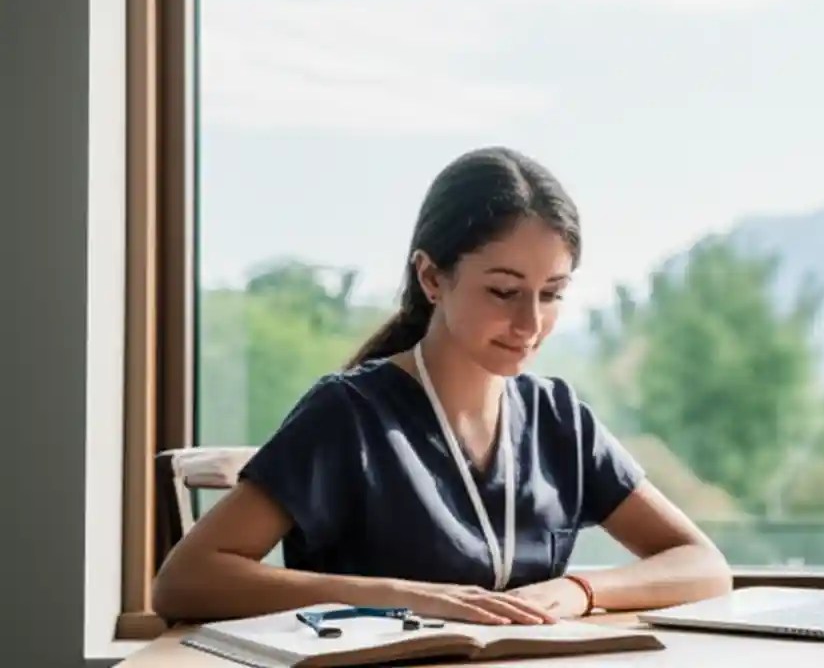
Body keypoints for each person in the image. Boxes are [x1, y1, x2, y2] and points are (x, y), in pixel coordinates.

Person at [153, 147, 732, 626]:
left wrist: (580, 589)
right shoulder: (347, 416)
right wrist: (401, 595)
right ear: (432, 277)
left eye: (551, 293)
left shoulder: (557, 417)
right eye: (504, 292)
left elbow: (702, 564)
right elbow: (186, 581)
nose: (531, 324)